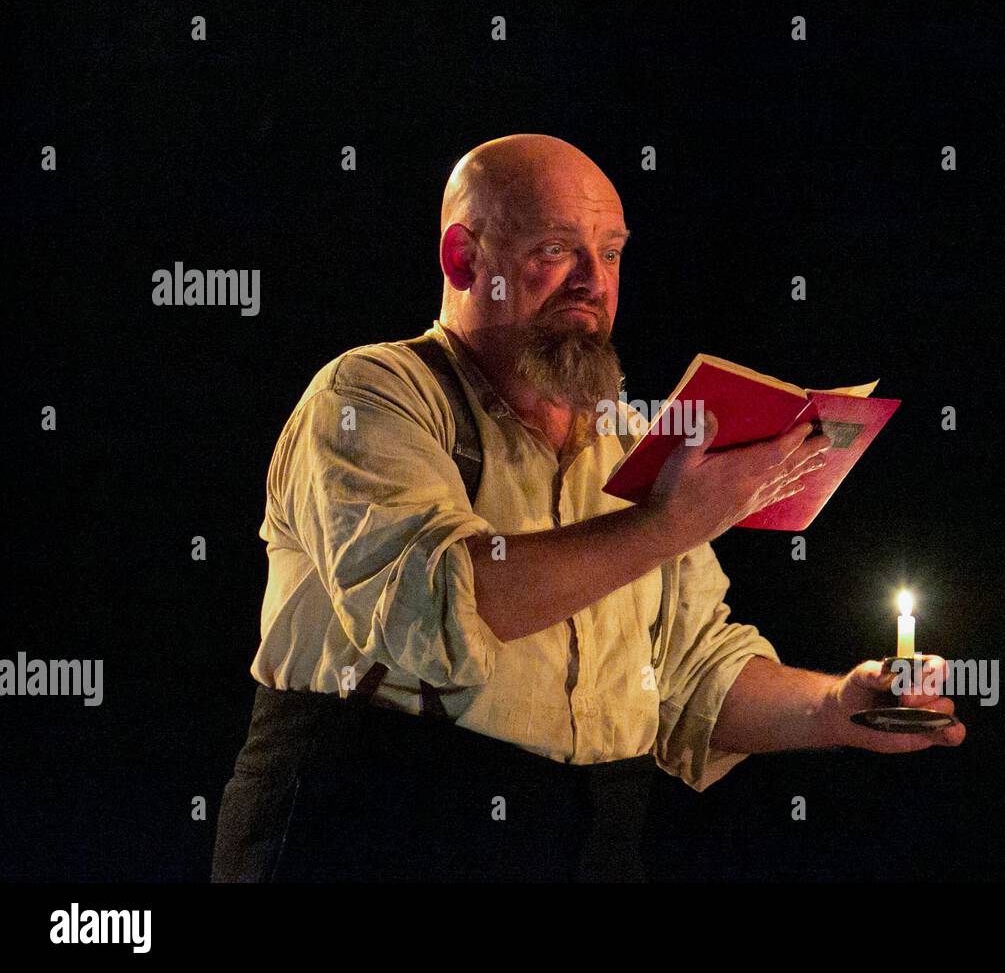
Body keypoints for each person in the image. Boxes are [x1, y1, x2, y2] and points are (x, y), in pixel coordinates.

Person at [211, 133, 965, 883]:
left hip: (587, 841)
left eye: (609, 253)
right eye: (554, 249)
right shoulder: (371, 395)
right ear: (463, 259)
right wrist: (666, 523)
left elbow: (694, 675)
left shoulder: (626, 439)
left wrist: (839, 707)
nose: (592, 283)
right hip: (380, 827)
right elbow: (434, 606)